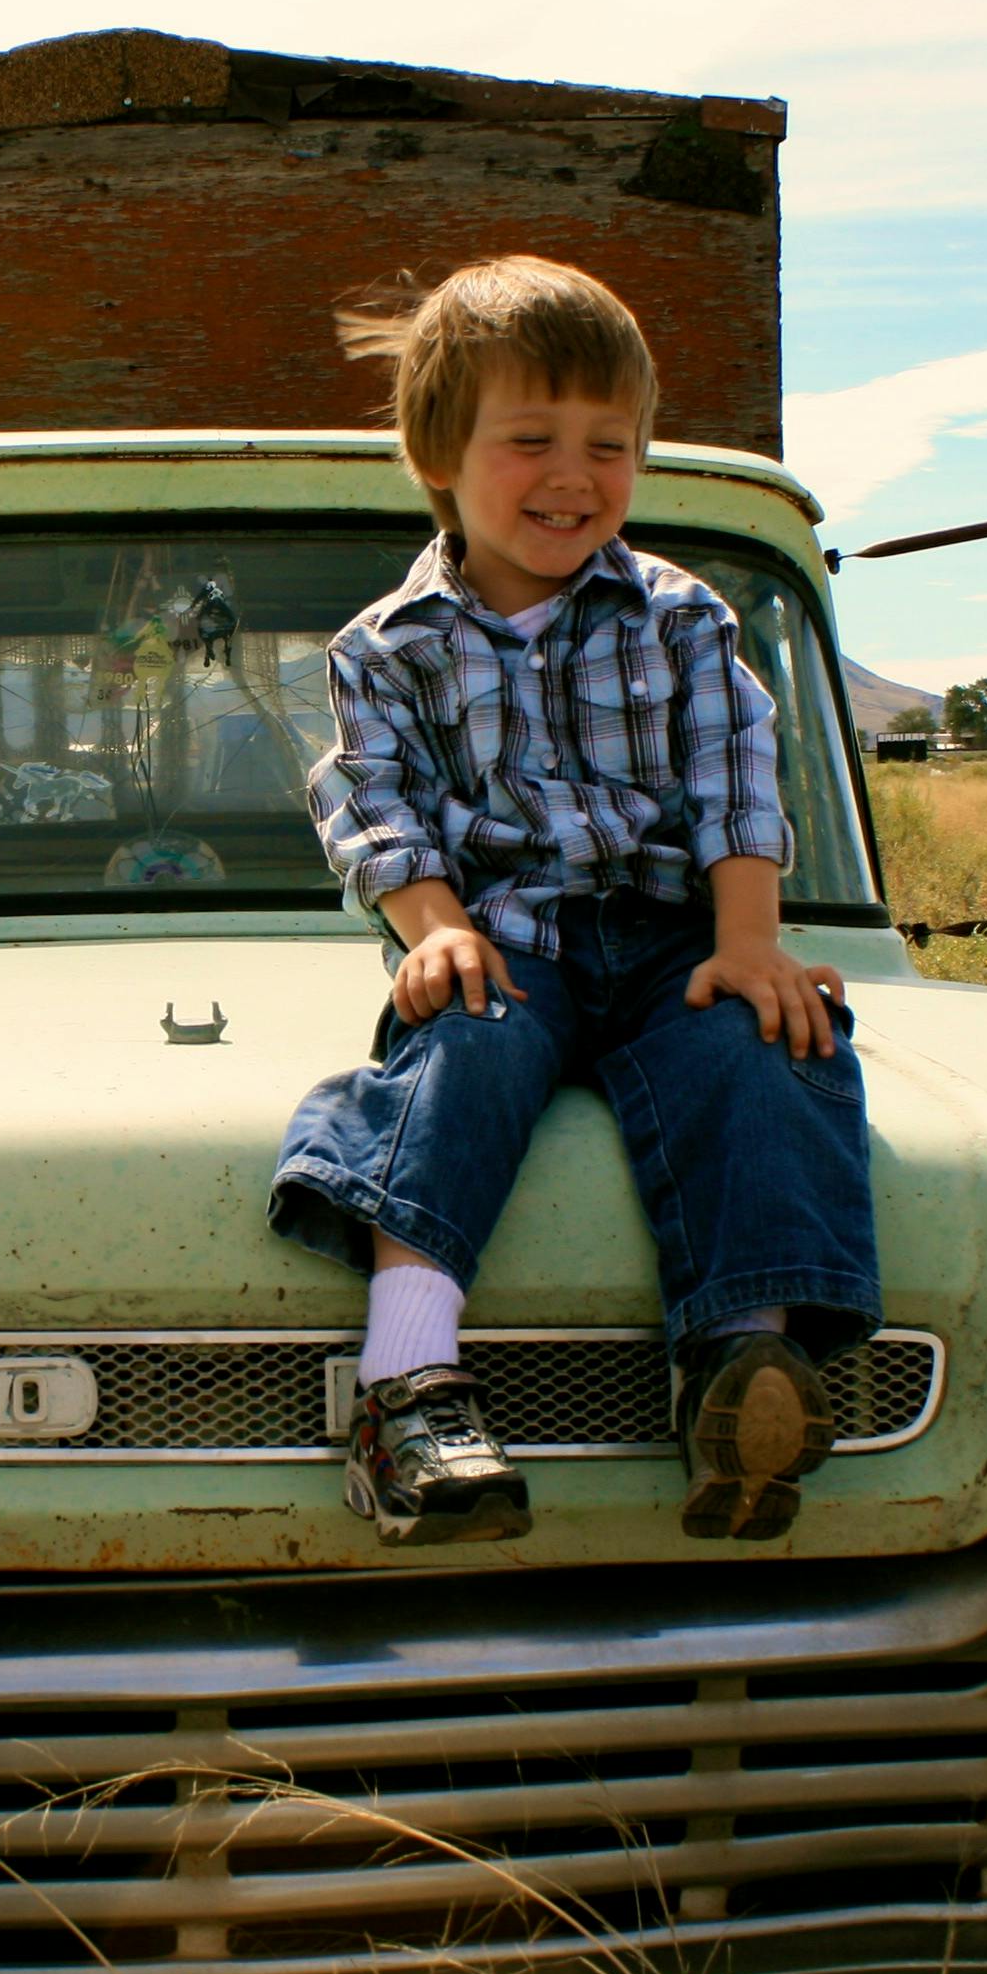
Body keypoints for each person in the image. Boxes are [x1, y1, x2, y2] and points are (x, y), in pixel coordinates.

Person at [270, 256, 880, 1548]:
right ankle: (408, 1386)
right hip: (511, 940)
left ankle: (741, 1367)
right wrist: (434, 930)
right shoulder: (386, 647)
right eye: (531, 439)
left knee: (765, 1038)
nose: (574, 475)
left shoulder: (685, 620)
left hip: (673, 938)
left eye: (610, 445)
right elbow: (372, 804)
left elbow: (736, 776)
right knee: (459, 1046)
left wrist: (751, 945)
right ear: (441, 451)